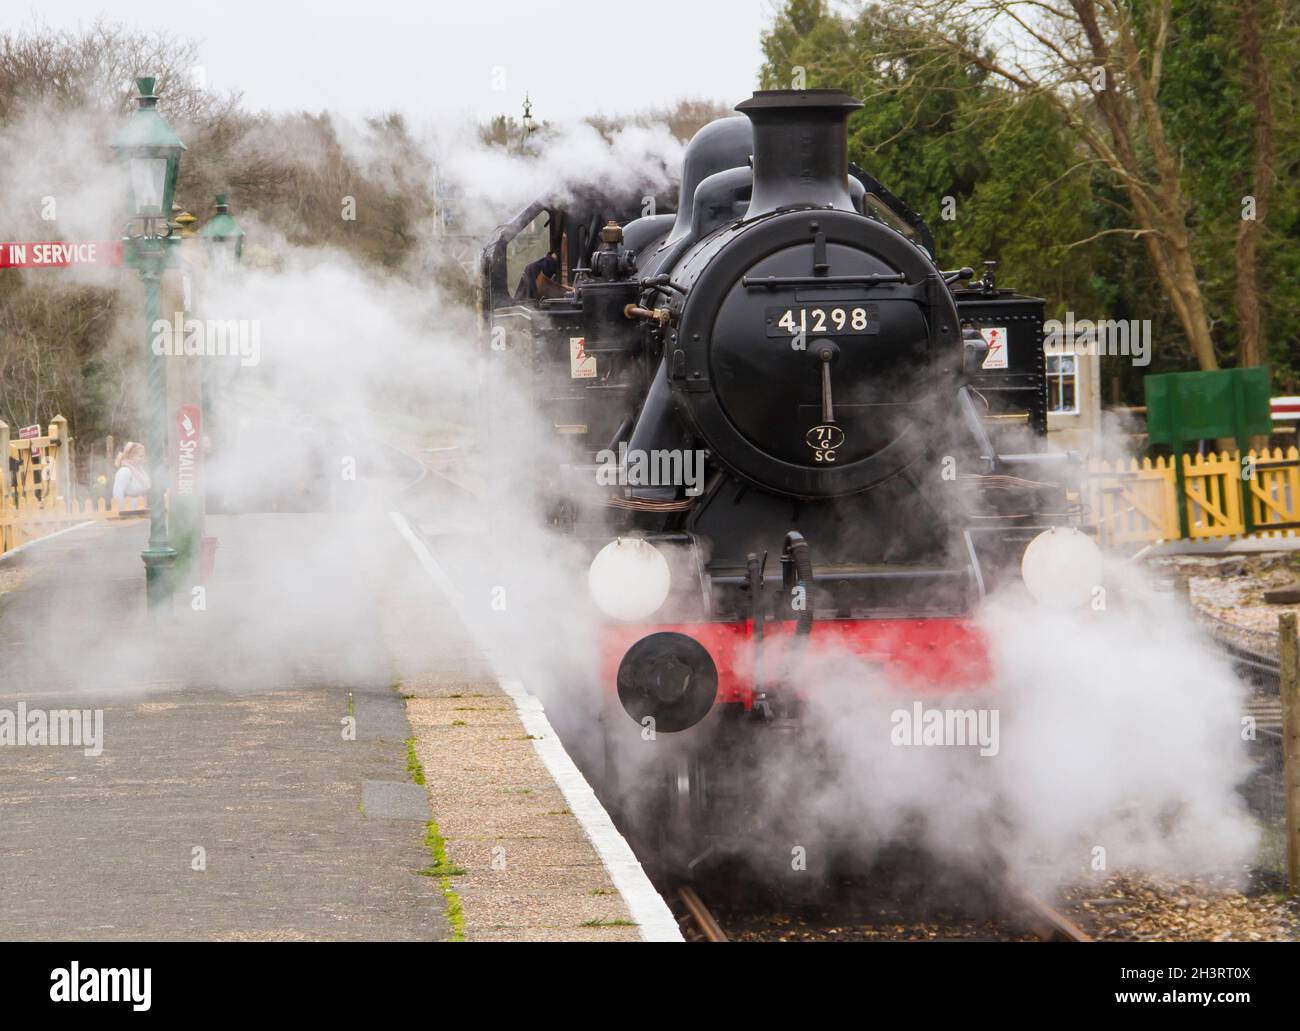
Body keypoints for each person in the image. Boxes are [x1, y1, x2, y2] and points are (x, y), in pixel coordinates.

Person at [112, 442, 151, 508]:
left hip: (140, 511)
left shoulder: (140, 471)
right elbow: (117, 495)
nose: (143, 459)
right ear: (131, 456)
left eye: (143, 456)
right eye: (140, 456)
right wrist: (123, 511)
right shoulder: (125, 471)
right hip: (129, 512)